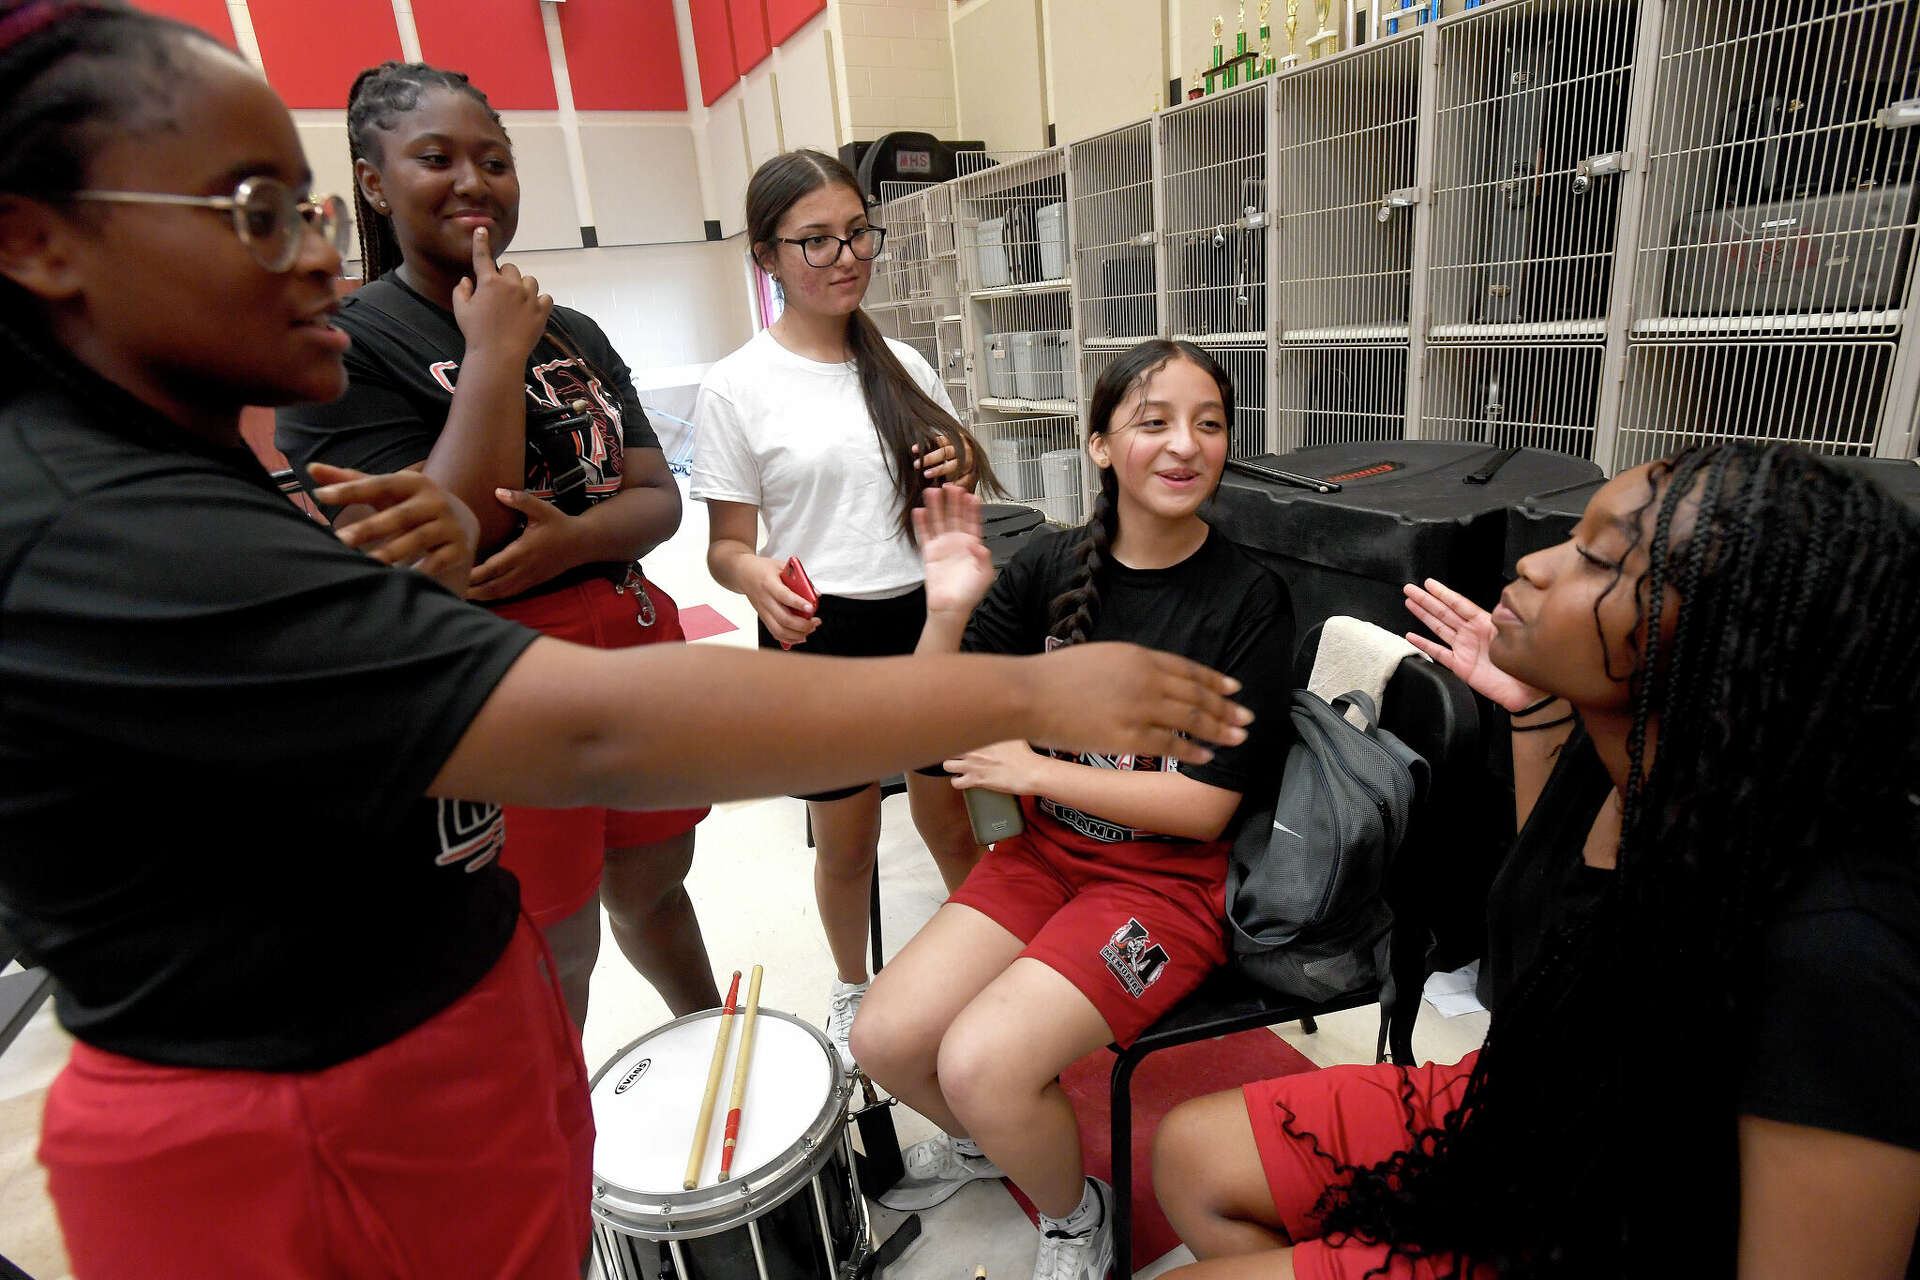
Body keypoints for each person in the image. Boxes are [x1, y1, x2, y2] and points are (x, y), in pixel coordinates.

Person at [0, 6, 1255, 1274]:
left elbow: (616, 519)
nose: (320, 257)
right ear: (38, 239)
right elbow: (600, 720)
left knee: (711, 907)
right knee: (845, 958)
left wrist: (486, 519)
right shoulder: (102, 533)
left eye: (309, 212)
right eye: (260, 212)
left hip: (421, 1019)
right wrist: (1028, 695)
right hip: (307, 1111)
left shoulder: (188, 477)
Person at [1151, 445, 1920, 1278]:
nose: (1535, 564)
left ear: (1729, 637)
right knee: (1192, 1157)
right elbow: (1548, 927)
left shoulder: (1842, 954)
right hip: (1550, 1109)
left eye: (1598, 558)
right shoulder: (1619, 750)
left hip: (1635, 1222)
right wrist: (1533, 709)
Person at [272, 61, 711, 1030]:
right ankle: (563, 1118)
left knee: (655, 884)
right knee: (552, 938)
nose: (474, 181)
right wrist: (495, 352)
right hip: (496, 685)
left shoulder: (574, 329)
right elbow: (440, 540)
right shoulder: (346, 345)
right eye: (437, 158)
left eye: (496, 161)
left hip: (633, 649)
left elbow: (657, 498)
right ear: (373, 182)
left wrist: (574, 540)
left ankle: (714, 1042)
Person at [852, 340, 1298, 1280]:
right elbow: (929, 721)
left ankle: (1074, 1216)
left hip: (1164, 889)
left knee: (981, 1063)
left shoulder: (1249, 598)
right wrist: (946, 610)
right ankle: (996, 1141)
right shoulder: (1052, 567)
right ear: (1099, 445)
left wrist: (1037, 771)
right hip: (1047, 859)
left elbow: (1203, 810)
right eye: (1154, 422)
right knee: (883, 1040)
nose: (1186, 445)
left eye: (1209, 424)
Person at [691, 148, 1003, 1065]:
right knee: (848, 840)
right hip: (820, 629)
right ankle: (850, 985)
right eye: (816, 241)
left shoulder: (902, 364)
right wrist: (753, 579)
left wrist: (958, 465)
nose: (845, 257)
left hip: (925, 619)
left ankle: (987, 970)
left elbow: (957, 484)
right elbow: (725, 547)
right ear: (767, 255)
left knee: (953, 821)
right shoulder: (736, 386)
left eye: (858, 233)